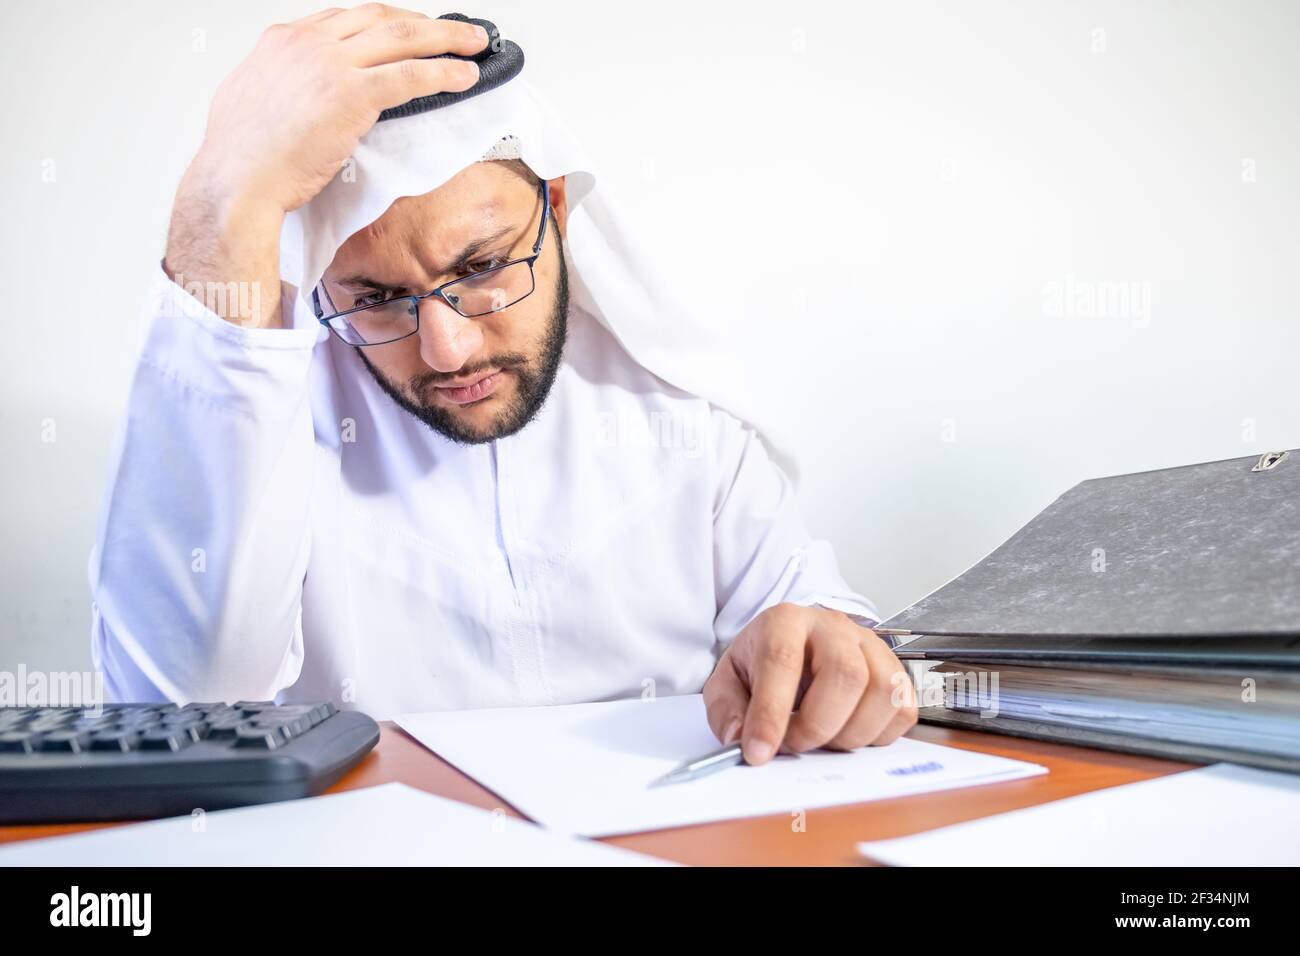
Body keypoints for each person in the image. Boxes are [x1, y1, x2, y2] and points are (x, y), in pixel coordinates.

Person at [89, 5, 917, 766]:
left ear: (556, 206)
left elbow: (811, 629)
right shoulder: (263, 416)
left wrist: (827, 652)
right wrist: (221, 197)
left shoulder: (680, 414)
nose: (446, 351)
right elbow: (174, 713)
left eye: (482, 267)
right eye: (375, 299)